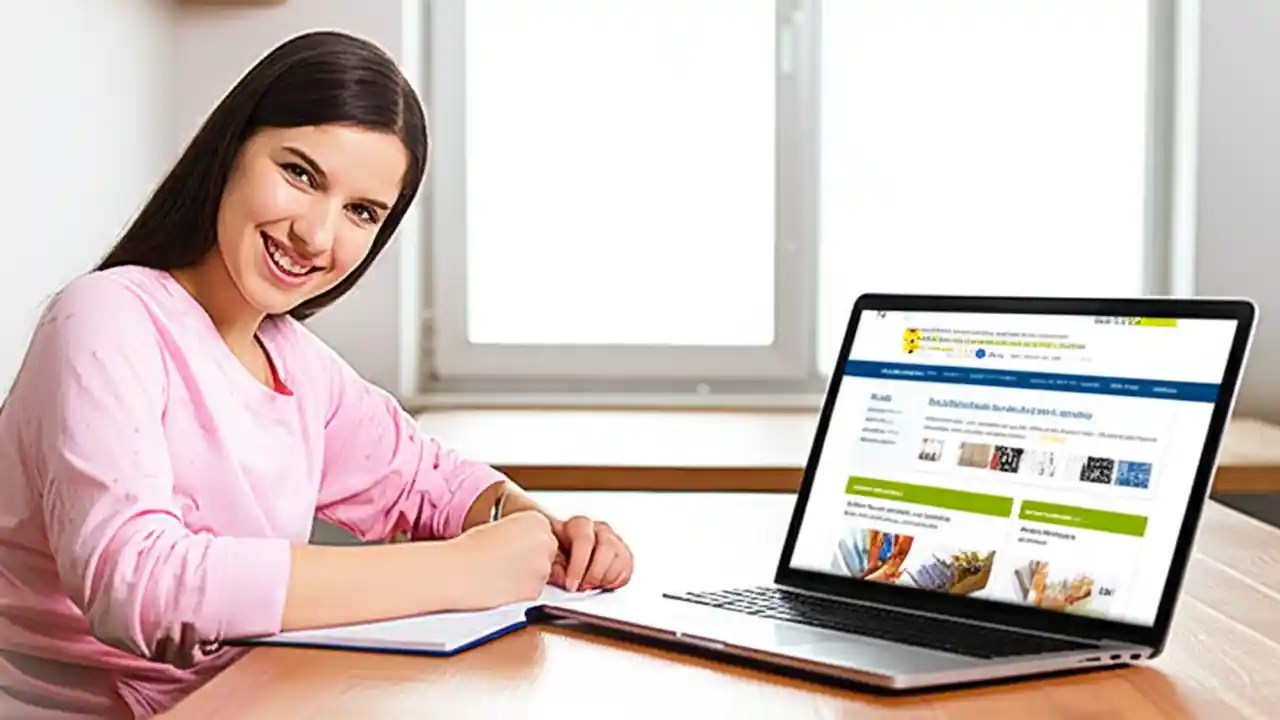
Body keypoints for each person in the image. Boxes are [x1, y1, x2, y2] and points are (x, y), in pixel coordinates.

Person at [0, 30, 632, 718]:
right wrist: (460, 571)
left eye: (361, 212)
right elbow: (140, 585)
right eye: (300, 174)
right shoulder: (106, 315)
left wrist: (548, 534)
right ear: (231, 149)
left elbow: (431, 482)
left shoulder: (295, 362)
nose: (317, 236)